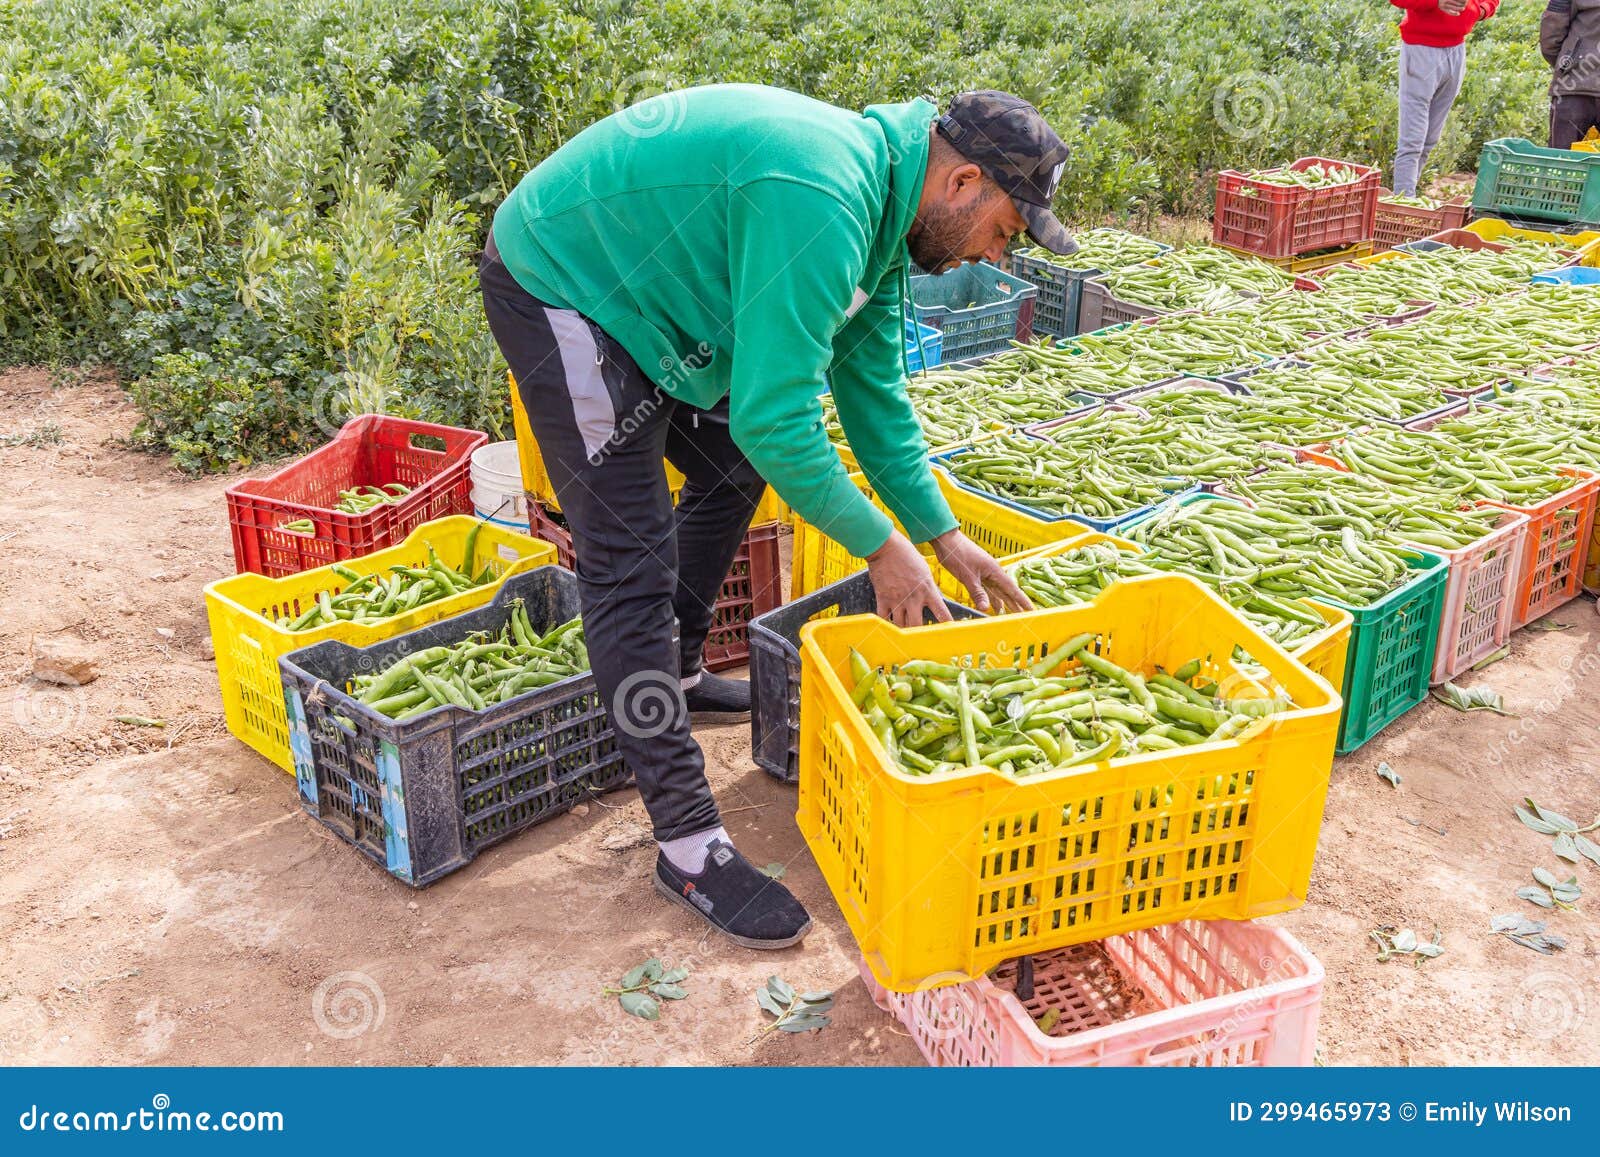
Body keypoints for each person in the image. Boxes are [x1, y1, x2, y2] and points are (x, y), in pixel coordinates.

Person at [479, 85, 1072, 949]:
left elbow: (871, 397)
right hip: (565, 282)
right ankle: (686, 843)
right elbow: (776, 414)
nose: (995, 256)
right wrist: (881, 547)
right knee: (627, 562)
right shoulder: (827, 197)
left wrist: (943, 537)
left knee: (731, 464)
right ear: (963, 182)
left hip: (655, 311)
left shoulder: (887, 226)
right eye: (1003, 232)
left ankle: (676, 669)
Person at [1390, 0, 1501, 196]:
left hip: (1456, 49)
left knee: (1429, 139)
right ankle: (1403, 201)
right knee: (1412, 140)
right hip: (1421, 48)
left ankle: (1407, 198)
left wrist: (1480, 11)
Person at [1542, 0, 1600, 147]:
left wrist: (1568, 65)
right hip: (1574, 86)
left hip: (1573, 87)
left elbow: (1551, 35)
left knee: (1562, 161)